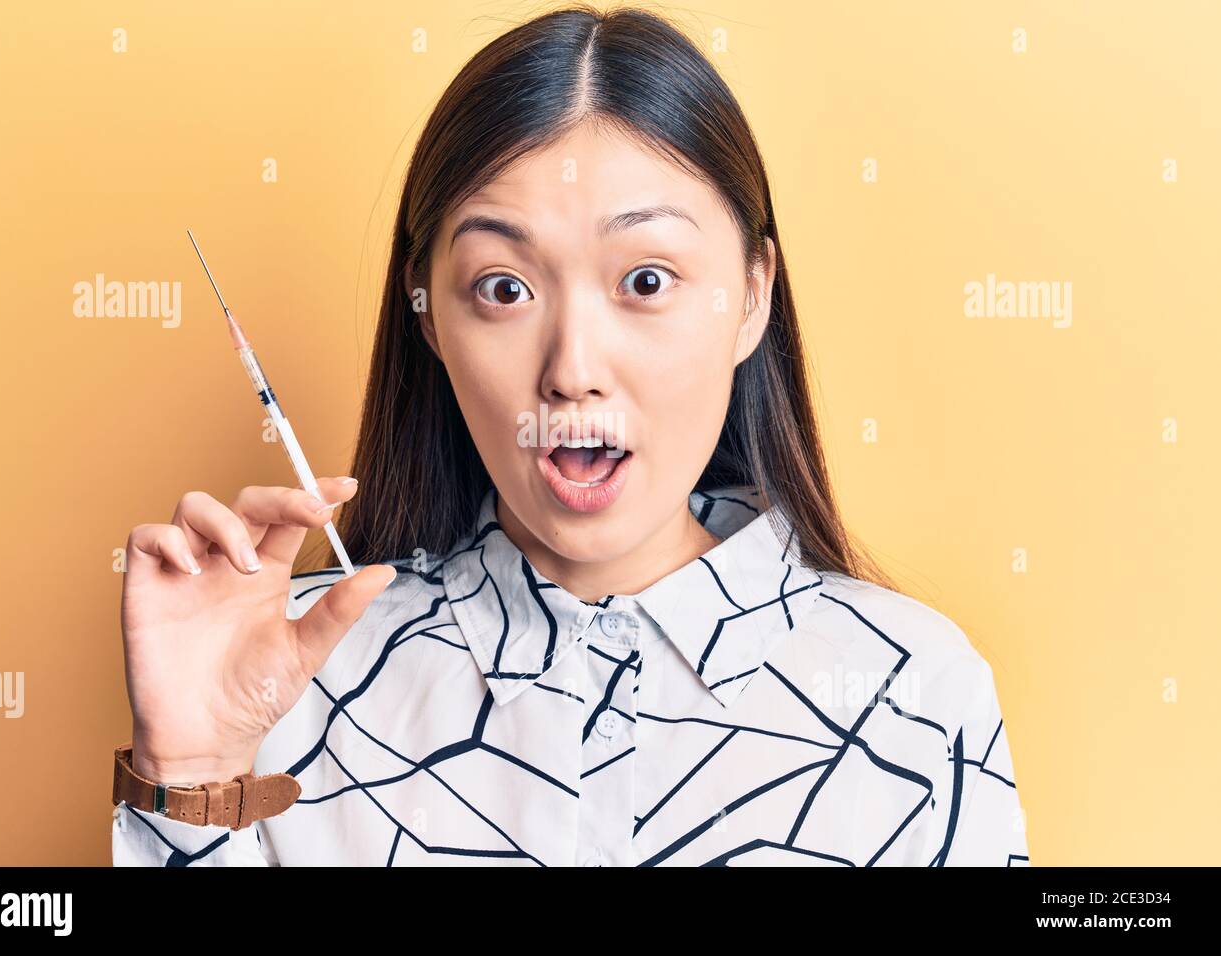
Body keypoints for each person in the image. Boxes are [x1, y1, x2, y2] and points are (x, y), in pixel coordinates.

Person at [112, 3, 1029, 866]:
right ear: (428, 315)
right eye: (505, 288)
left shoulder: (915, 698)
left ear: (751, 295)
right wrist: (189, 776)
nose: (572, 366)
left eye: (646, 281)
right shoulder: (289, 674)